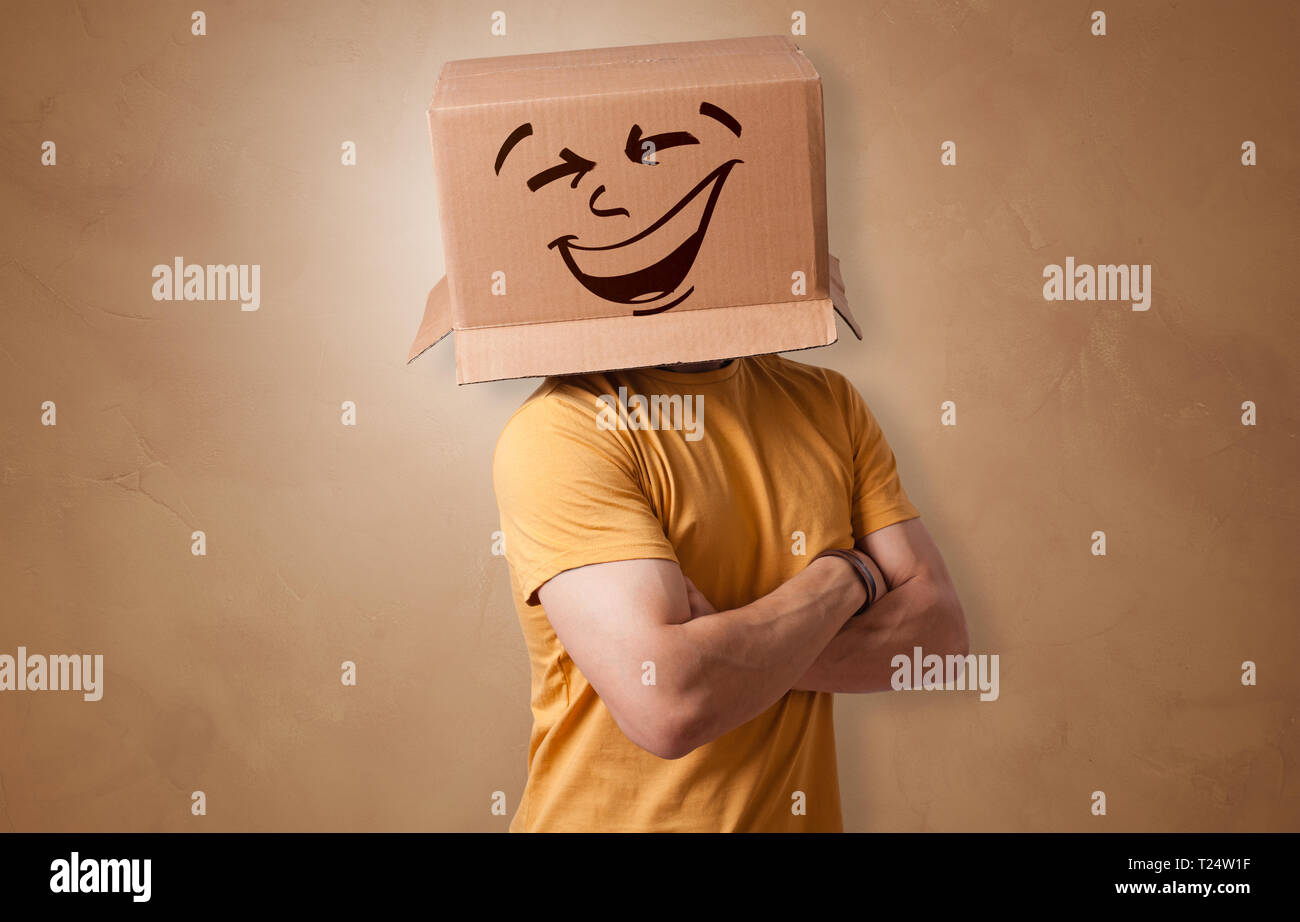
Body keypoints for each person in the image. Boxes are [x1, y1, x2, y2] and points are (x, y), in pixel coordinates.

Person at [492, 351, 968, 832]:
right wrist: (844, 578)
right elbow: (669, 706)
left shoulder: (829, 401)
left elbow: (941, 640)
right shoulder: (561, 429)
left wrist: (723, 657)